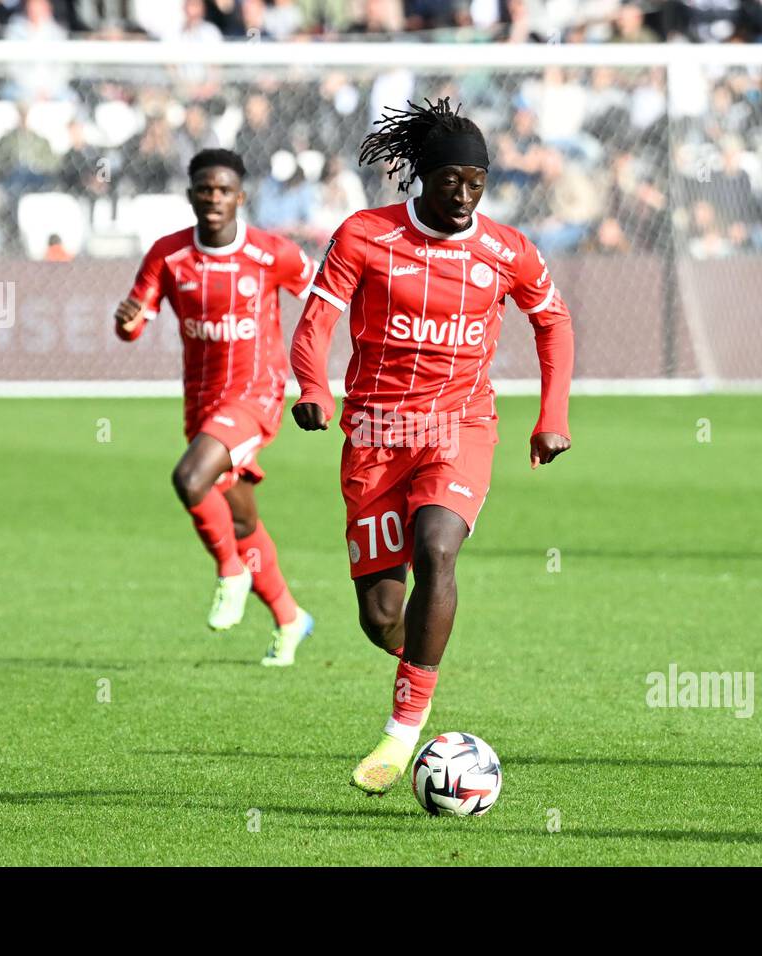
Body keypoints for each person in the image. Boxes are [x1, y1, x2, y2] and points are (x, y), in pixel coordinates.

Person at [288, 99, 574, 794]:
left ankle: (401, 733)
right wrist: (313, 390)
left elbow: (554, 324)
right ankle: (418, 656)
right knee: (382, 616)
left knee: (437, 548)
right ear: (422, 178)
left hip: (459, 428)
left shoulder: (506, 250)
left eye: (477, 183)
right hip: (376, 437)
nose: (465, 196)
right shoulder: (365, 235)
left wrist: (551, 416)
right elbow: (317, 318)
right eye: (452, 182)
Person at [113, 149, 316, 666]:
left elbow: (323, 295)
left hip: (256, 395)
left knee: (189, 479)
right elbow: (135, 324)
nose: (214, 199)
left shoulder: (272, 254)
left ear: (240, 197)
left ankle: (230, 572)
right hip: (202, 402)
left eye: (224, 190)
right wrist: (127, 319)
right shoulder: (169, 255)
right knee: (241, 516)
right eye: (205, 190)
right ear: (191, 196)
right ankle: (291, 618)